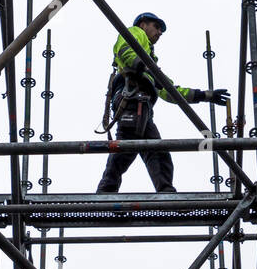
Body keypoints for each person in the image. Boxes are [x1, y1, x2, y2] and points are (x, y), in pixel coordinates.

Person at [95, 12, 229, 194]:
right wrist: (145, 67)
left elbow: (170, 92)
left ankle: (164, 190)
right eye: (156, 27)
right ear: (143, 24)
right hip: (133, 100)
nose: (159, 32)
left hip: (142, 107)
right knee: (127, 147)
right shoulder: (135, 33)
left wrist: (204, 95)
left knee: (155, 151)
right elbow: (124, 50)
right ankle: (107, 192)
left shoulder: (150, 65)